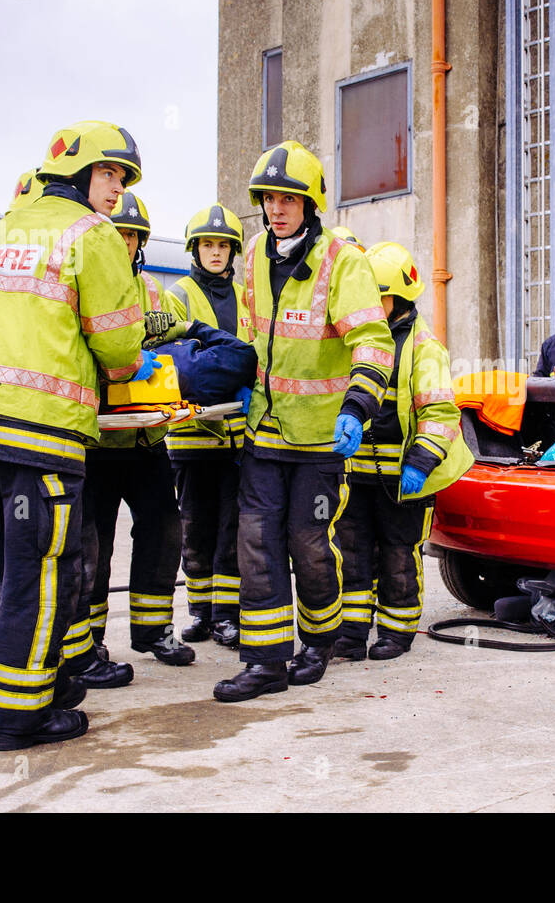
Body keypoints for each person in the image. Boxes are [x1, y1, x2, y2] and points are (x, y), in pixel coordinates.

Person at [0, 121, 153, 750]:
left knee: (12, 567)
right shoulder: (91, 236)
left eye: (122, 178)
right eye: (111, 173)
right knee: (45, 574)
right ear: (78, 173)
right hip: (42, 433)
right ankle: (21, 716)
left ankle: (39, 683)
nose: (117, 190)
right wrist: (127, 361)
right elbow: (118, 346)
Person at [212, 141, 394, 703]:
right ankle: (264, 661)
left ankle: (319, 640)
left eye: (288, 198)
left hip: (320, 440)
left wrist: (357, 406)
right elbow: (249, 332)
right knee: (258, 544)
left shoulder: (342, 261)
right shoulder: (252, 253)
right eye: (268, 198)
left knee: (309, 542)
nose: (276, 208)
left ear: (310, 202)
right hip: (264, 435)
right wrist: (239, 379)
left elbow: (372, 340)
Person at [332, 241, 473, 661]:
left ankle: (396, 631)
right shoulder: (357, 340)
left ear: (401, 297)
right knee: (353, 551)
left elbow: (440, 413)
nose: (373, 304)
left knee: (398, 553)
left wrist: (420, 463)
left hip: (405, 474)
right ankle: (353, 632)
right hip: (357, 471)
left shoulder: (424, 347)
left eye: (381, 296)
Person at [71, 192, 193, 674]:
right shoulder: (83, 281)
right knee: (93, 543)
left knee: (165, 529)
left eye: (131, 236)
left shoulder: (153, 292)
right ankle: (90, 639)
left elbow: (170, 347)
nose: (124, 244)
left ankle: (153, 630)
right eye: (117, 234)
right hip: (98, 441)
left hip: (146, 440)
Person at [166, 204, 252, 648]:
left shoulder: (247, 297)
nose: (215, 252)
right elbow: (179, 361)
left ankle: (226, 616)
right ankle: (199, 613)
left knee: (232, 529)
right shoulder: (177, 294)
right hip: (191, 436)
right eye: (207, 244)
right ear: (194, 249)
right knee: (194, 527)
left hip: (237, 437)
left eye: (222, 245)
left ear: (233, 251)